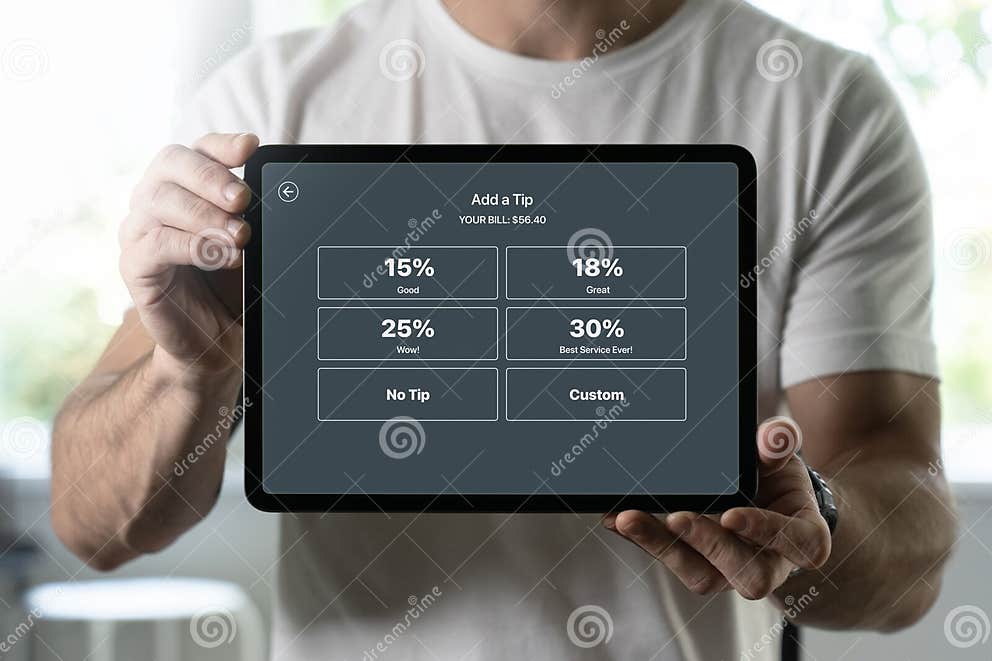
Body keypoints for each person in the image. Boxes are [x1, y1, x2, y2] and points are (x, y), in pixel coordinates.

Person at [51, 0, 957, 658]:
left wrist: (813, 523)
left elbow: (909, 547)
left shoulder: (824, 105)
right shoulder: (269, 101)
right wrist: (189, 375)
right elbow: (93, 524)